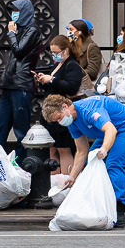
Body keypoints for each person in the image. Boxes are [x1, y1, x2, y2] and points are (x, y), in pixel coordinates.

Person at [42, 93, 125, 229]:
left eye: (59, 117)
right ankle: (98, 203)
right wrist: (72, 176)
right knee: (90, 163)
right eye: (57, 121)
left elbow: (111, 129)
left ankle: (118, 209)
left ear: (65, 106)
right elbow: (81, 151)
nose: (60, 122)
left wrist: (104, 149)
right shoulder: (72, 122)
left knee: (113, 164)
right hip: (108, 132)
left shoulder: (89, 110)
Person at [0, 0, 42, 161]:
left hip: (21, 84)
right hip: (9, 84)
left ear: (25, 12)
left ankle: (21, 164)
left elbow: (19, 51)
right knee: (0, 128)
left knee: (21, 131)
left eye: (17, 11)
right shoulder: (20, 29)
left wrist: (11, 34)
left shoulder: (32, 30)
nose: (14, 14)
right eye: (13, 11)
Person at [33, 36, 85, 174]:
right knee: (51, 148)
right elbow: (53, 85)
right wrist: (43, 81)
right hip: (51, 110)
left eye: (56, 52)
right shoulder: (58, 64)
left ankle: (67, 179)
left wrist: (52, 79)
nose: (54, 55)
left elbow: (71, 88)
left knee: (63, 148)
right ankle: (53, 180)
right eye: (52, 52)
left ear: (65, 50)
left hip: (63, 111)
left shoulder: (72, 65)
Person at [66, 19, 101, 86]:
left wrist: (72, 73)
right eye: (68, 29)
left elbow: (92, 72)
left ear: (79, 32)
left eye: (71, 29)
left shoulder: (92, 47)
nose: (68, 32)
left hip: (83, 86)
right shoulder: (71, 46)